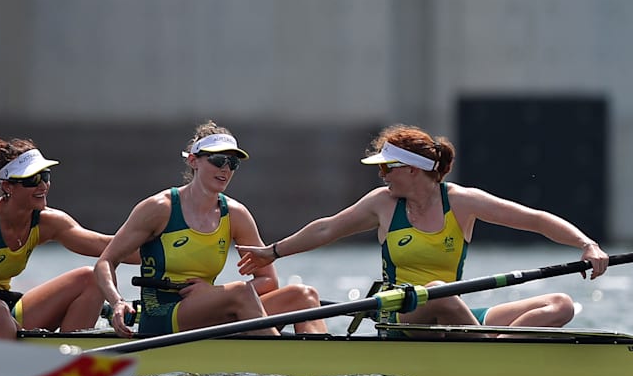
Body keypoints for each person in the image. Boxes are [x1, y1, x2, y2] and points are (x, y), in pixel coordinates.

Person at [237, 124, 611, 331]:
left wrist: (587, 245)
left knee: (561, 305)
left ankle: (494, 346)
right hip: (401, 316)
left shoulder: (462, 202)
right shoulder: (381, 205)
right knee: (437, 291)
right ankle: (485, 352)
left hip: (454, 311)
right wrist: (272, 252)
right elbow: (325, 230)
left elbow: (535, 219)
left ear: (412, 171)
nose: (381, 176)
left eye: (387, 168)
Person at [94, 121, 324, 338]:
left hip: (209, 311)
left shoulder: (236, 214)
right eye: (217, 160)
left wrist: (215, 294)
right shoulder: (159, 208)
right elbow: (105, 262)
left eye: (233, 163)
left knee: (304, 296)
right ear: (194, 161)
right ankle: (282, 361)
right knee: (240, 292)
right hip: (162, 314)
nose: (225, 169)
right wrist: (117, 302)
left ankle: (322, 367)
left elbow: (267, 281)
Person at [0, 137, 135, 339]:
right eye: (32, 180)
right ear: (7, 187)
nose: (42, 186)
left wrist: (159, 251)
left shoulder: (49, 221)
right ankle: (3, 370)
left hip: (3, 313)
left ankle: (69, 359)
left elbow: (108, 247)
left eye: (45, 176)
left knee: (90, 278)